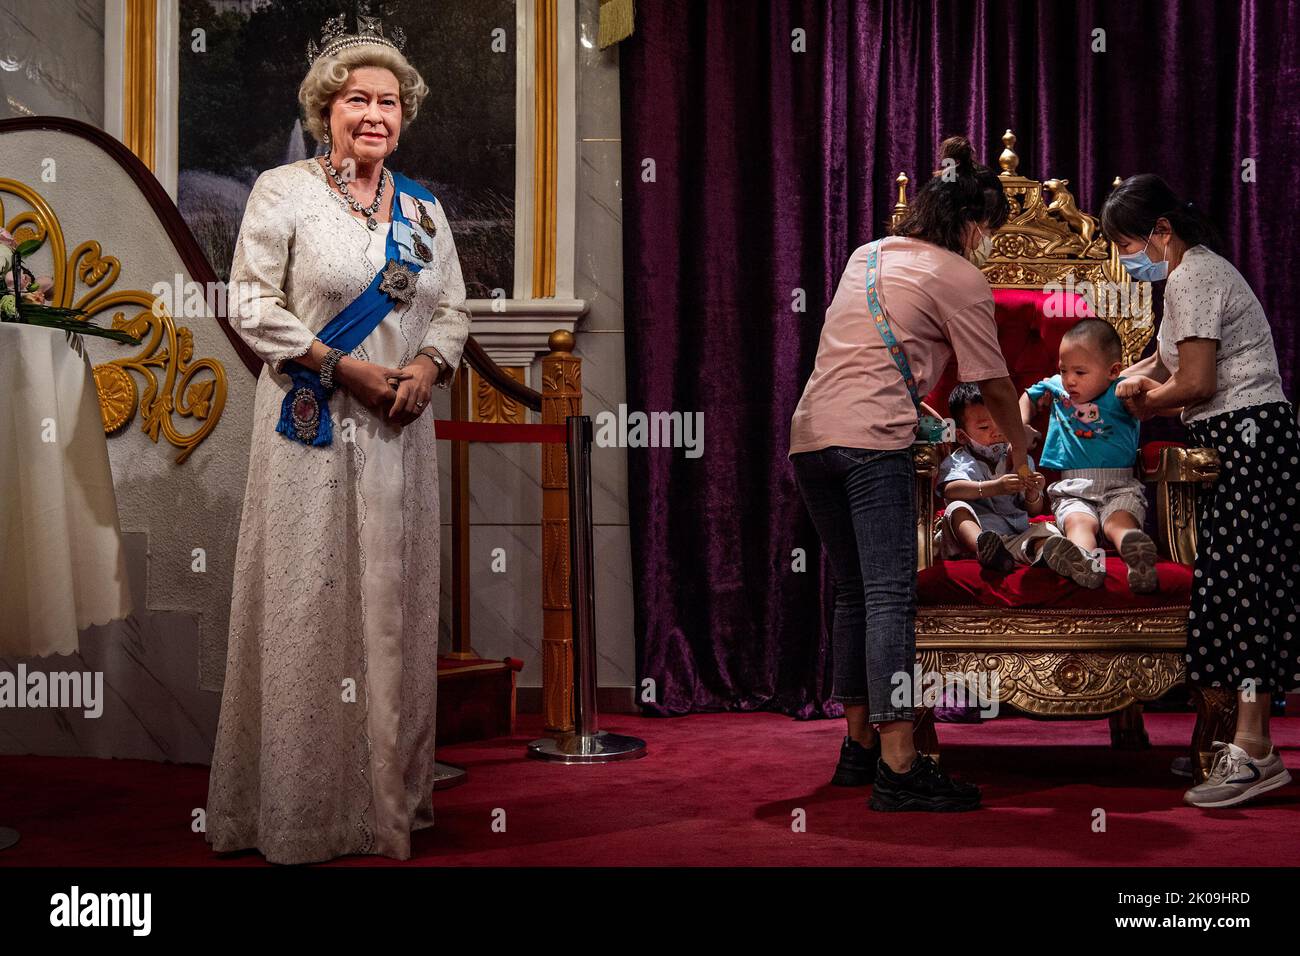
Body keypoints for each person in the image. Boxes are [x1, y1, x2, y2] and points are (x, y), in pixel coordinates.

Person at [205, 16, 472, 863]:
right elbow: (248, 303)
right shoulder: (282, 191)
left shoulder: (424, 211)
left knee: (392, 611)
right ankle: (299, 810)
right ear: (328, 109)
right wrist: (342, 367)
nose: (374, 113)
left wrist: (427, 368)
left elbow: (455, 307)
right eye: (358, 98)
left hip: (399, 434)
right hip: (310, 431)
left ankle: (385, 803)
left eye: (388, 101)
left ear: (403, 116)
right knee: (309, 608)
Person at [789, 135, 1031, 812]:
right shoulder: (961, 276)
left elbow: (860, 358)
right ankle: (900, 766)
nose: (988, 244)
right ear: (973, 223)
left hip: (811, 438)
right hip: (871, 444)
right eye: (989, 230)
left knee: (853, 594)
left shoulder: (865, 255)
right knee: (891, 596)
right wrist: (1021, 454)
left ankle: (858, 747)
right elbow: (995, 384)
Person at [1102, 173, 1296, 808]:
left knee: (1247, 591)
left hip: (1248, 438)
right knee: (1232, 589)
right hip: (1236, 443)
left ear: (1161, 231)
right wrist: (1111, 383)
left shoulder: (1192, 274)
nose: (1128, 259)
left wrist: (1137, 408)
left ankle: (1254, 748)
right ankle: (1247, 742)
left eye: (1129, 243)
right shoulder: (1191, 273)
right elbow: (1161, 362)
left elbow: (1196, 382)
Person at [1020, 318, 1159, 591]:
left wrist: (1143, 382)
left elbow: (1167, 401)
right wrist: (1023, 425)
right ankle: (1084, 561)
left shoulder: (1122, 388)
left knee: (1119, 522)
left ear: (1112, 370)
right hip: (1073, 488)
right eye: (1063, 370)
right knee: (1078, 522)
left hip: (1120, 485)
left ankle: (1137, 555)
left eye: (1080, 373)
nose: (1069, 380)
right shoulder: (1057, 387)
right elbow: (1027, 397)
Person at [937, 382, 1100, 585]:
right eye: (984, 427)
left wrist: (1033, 493)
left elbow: (1033, 510)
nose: (996, 432)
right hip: (971, 537)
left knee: (1046, 531)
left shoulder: (1019, 459)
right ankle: (984, 548)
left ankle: (1049, 554)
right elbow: (950, 490)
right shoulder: (959, 460)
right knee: (956, 508)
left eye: (1001, 422)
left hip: (1015, 534)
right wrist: (995, 487)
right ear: (962, 435)